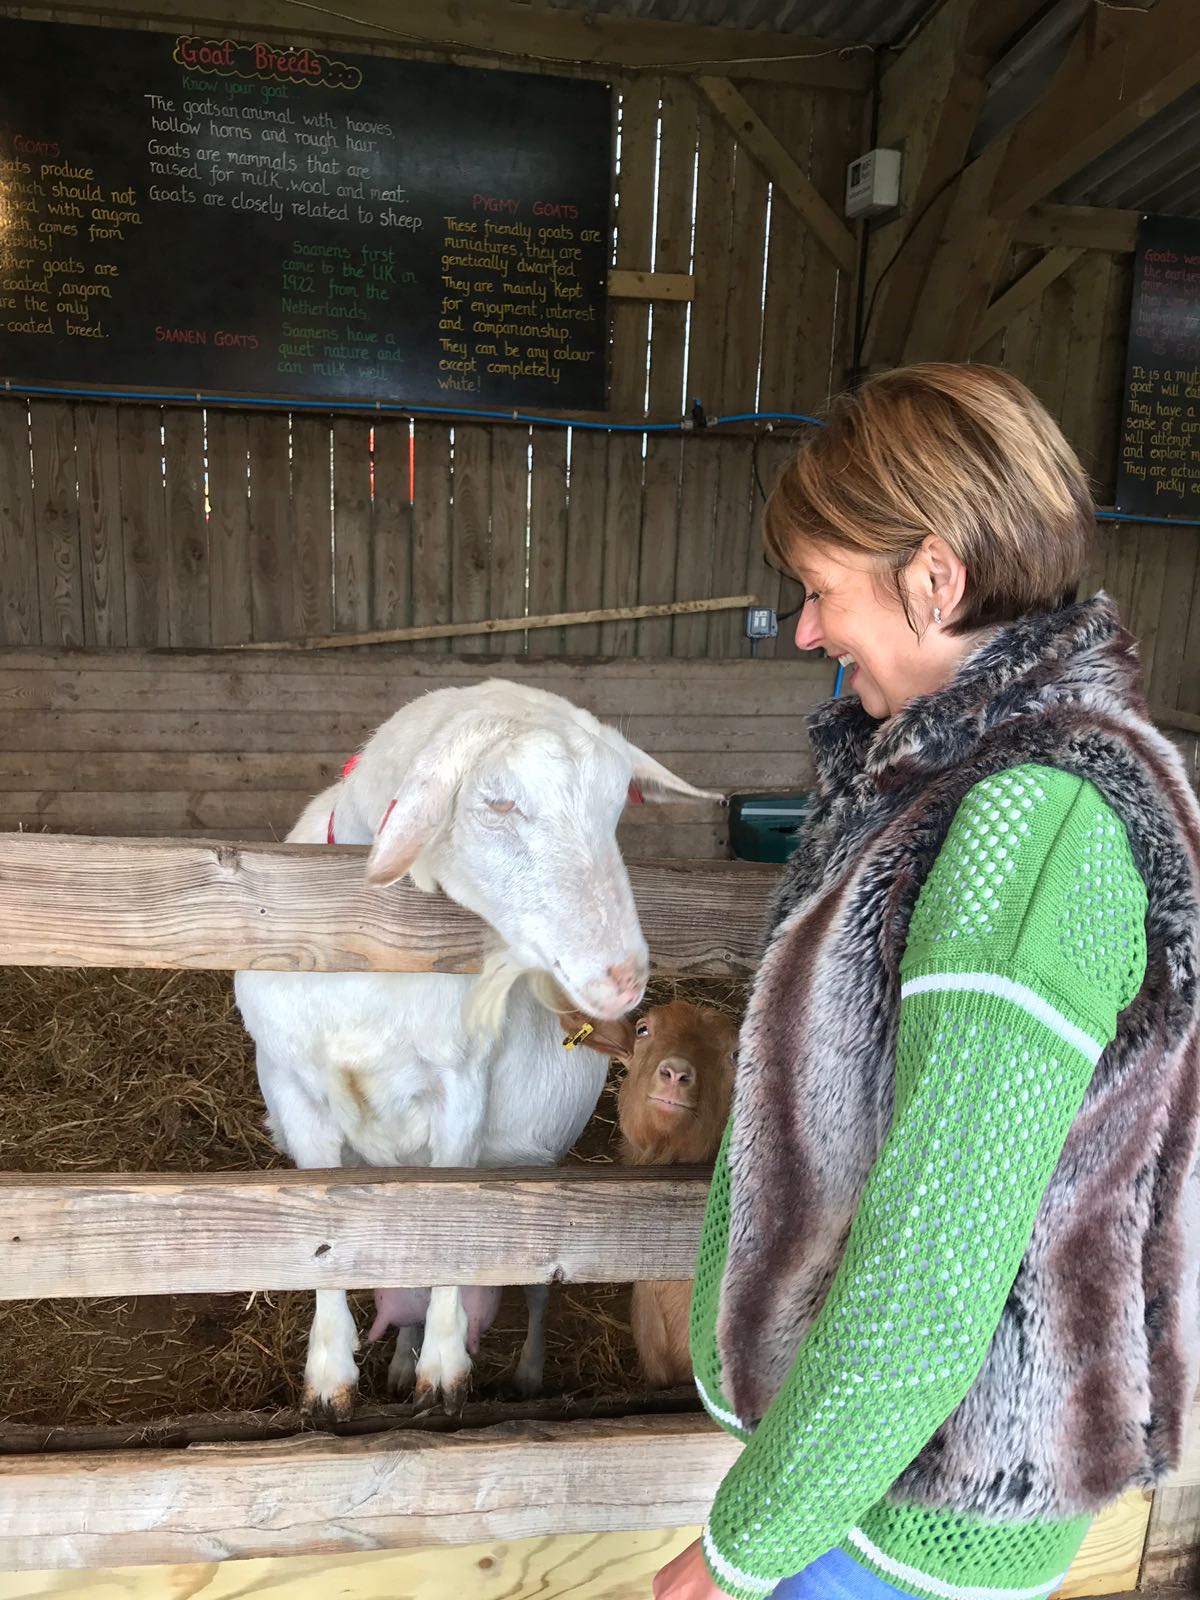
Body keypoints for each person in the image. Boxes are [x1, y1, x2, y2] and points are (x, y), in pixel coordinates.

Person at [652, 363, 1200, 1600]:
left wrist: (745, 1546)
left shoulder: (1029, 828)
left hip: (913, 1518)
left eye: (819, 590)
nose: (804, 630)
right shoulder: (989, 786)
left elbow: (933, 1271)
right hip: (877, 1480)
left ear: (936, 579)